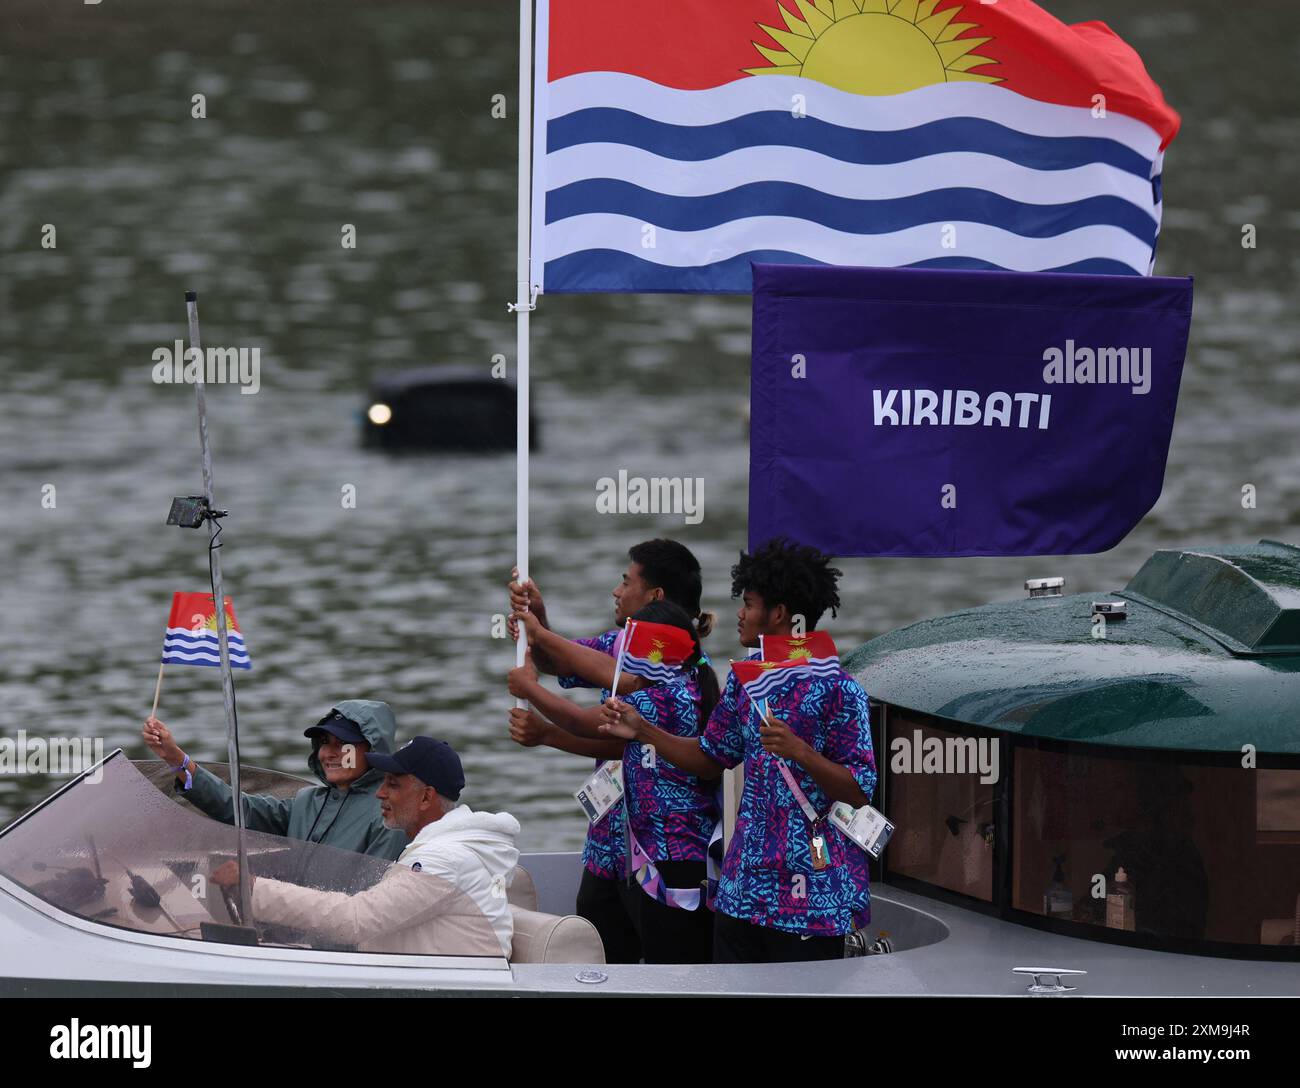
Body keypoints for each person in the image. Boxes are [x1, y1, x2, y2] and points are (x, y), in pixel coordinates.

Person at [600, 538, 877, 964]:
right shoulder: (747, 684)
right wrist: (644, 731)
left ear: (779, 614)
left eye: (748, 603)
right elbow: (710, 758)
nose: (740, 613)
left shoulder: (840, 690)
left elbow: (860, 791)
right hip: (741, 892)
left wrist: (801, 752)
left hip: (810, 901)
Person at [506, 538, 712, 963]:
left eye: (626, 581)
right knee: (602, 962)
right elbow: (564, 662)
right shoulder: (631, 647)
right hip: (611, 843)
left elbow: (590, 724)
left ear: (655, 596)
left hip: (662, 855)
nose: (617, 592)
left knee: (665, 973)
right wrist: (539, 623)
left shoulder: (671, 671)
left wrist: (533, 684)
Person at [213, 736, 520, 956]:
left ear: (426, 797)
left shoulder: (443, 860)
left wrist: (253, 888)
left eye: (393, 785)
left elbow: (356, 919)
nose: (379, 794)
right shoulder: (443, 848)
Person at [143, 700, 408, 861]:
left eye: (343, 744)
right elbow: (237, 808)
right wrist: (175, 758)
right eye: (325, 743)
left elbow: (370, 901)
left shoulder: (389, 814)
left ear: (373, 749)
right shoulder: (306, 801)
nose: (329, 753)